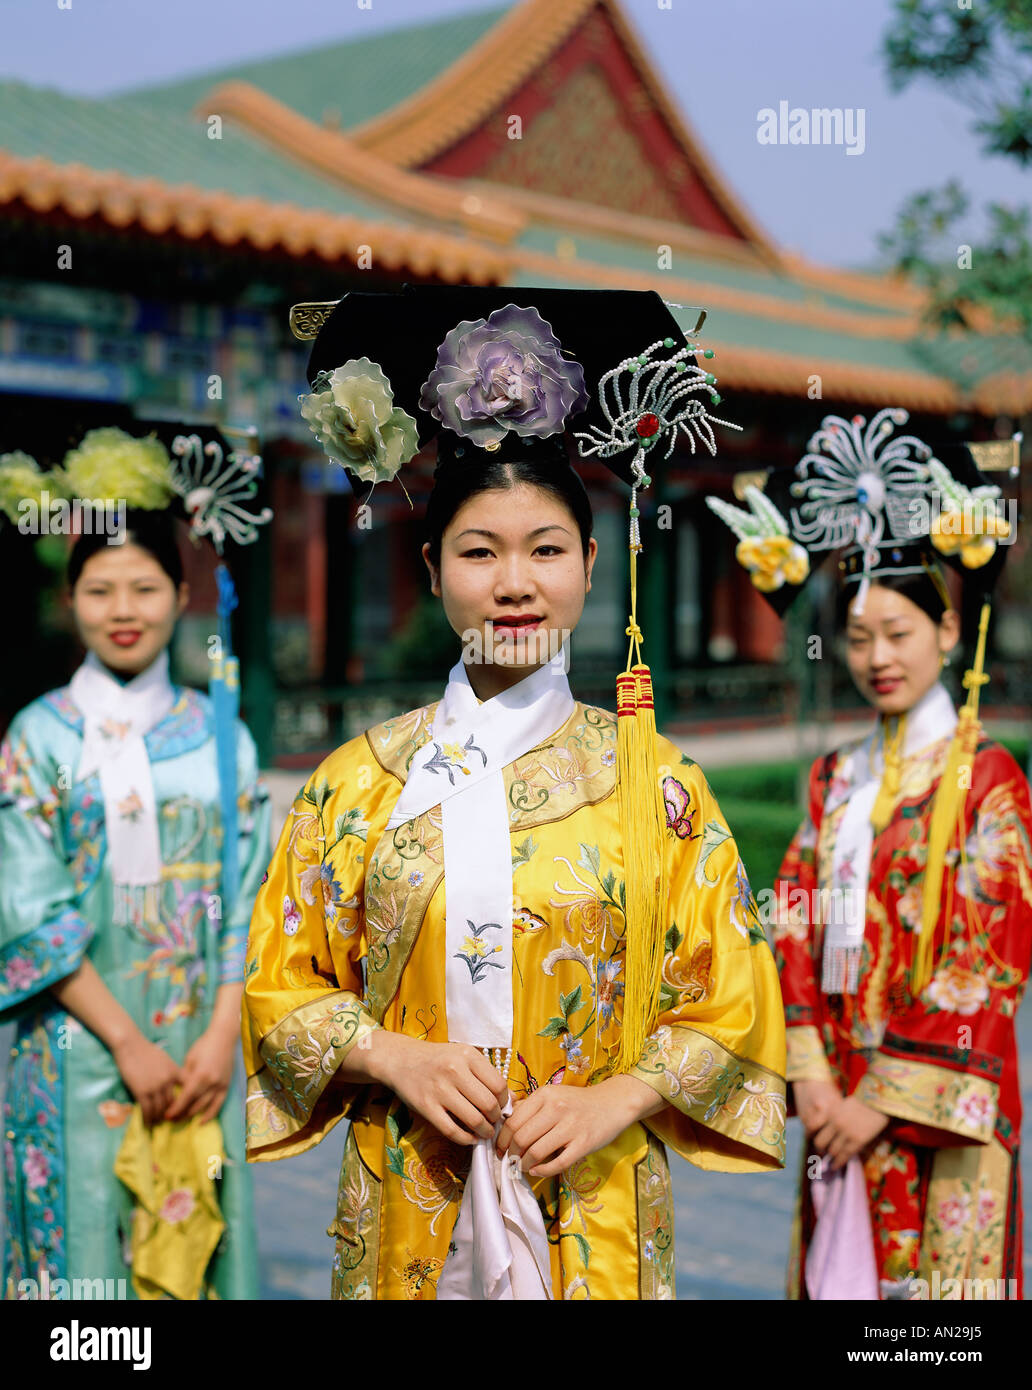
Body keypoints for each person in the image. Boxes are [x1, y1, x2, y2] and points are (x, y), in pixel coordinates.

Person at [243, 285, 787, 1301]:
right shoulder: (354, 785)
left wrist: (617, 1097)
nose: (515, 583)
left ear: (588, 565)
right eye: (480, 553)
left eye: (544, 550)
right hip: (409, 1189)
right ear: (432, 569)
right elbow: (283, 987)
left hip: (595, 1199)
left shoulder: (659, 784)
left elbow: (734, 998)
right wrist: (391, 1055)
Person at [707, 410, 1030, 1299]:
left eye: (899, 633)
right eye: (858, 639)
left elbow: (988, 963)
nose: (878, 657)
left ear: (949, 636)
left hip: (931, 1112)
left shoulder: (989, 780)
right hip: (835, 1094)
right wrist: (812, 1079)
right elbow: (794, 923)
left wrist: (874, 1103)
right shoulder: (831, 780)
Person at [0, 427, 271, 1300]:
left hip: (200, 1051)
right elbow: (26, 908)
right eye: (100, 588)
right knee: (80, 1257)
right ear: (69, 599)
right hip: (73, 1049)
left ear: (182, 593)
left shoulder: (222, 737)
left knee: (197, 1244)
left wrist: (223, 1035)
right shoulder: (36, 738)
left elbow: (249, 894)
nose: (125, 609)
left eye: (146, 588)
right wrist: (125, 1043)